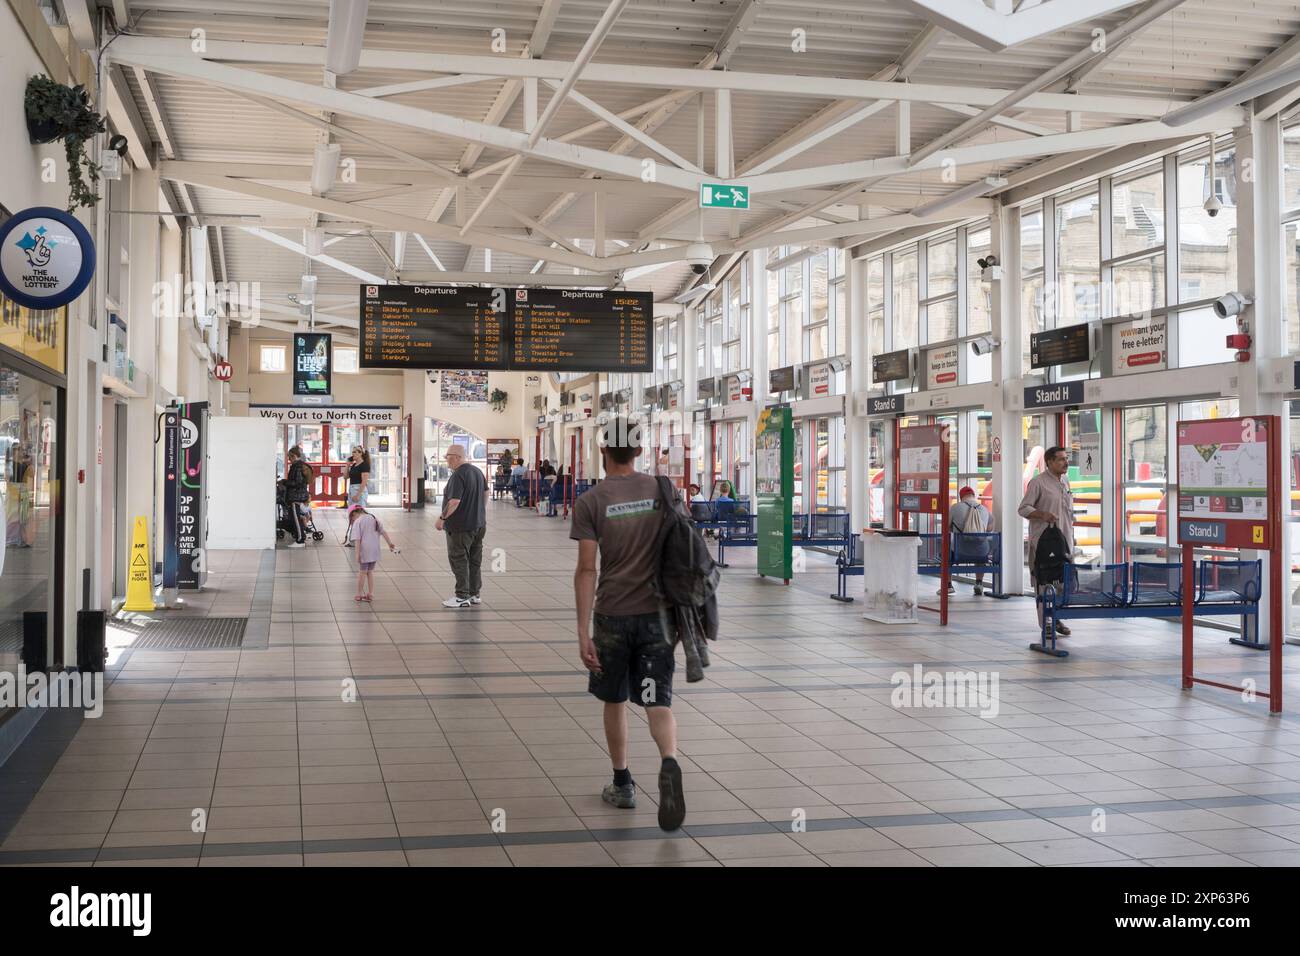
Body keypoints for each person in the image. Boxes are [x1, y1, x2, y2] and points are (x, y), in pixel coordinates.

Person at [570, 416, 685, 833]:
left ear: (603, 451)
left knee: (615, 698)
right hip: (658, 617)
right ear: (639, 451)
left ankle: (623, 783)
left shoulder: (591, 501)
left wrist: (583, 632)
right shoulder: (662, 490)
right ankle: (669, 759)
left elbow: (587, 570)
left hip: (613, 617)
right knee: (658, 700)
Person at [1018, 446, 1075, 636]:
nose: (1065, 462)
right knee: (1044, 581)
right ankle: (1046, 622)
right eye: (1060, 459)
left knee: (1061, 581)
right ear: (1049, 462)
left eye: (1066, 458)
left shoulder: (1065, 481)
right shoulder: (1038, 483)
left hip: (1064, 540)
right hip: (1044, 541)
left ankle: (1057, 618)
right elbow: (1023, 508)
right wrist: (1042, 514)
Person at [437, 444, 487, 608]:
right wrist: (479, 510)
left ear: (458, 457)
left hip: (460, 526)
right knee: (474, 560)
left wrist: (442, 518)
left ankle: (461, 596)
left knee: (459, 559)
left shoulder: (458, 475)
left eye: (448, 456)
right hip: (478, 524)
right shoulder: (477, 471)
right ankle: (474, 594)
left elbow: (454, 501)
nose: (447, 460)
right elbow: (486, 492)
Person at [950, 485, 995, 596]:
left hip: (959, 552)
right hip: (981, 553)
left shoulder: (955, 507)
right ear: (974, 496)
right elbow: (989, 529)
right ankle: (979, 583)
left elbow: (947, 527)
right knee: (980, 547)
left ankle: (948, 585)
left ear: (961, 497)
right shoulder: (984, 509)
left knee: (946, 551)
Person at [349, 506, 399, 602]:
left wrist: (357, 553)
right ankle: (371, 593)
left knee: (362, 572)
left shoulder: (358, 522)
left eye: (352, 518)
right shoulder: (373, 518)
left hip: (365, 550)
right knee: (370, 572)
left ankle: (359, 594)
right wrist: (390, 543)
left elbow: (358, 540)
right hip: (375, 550)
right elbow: (383, 532)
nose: (352, 520)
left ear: (354, 514)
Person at [283, 446, 312, 548]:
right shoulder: (299, 465)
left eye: (290, 458)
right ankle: (300, 538)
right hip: (298, 496)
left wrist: (285, 482)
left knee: (296, 519)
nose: (289, 460)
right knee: (296, 518)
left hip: (296, 497)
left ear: (294, 456)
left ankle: (300, 540)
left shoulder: (297, 466)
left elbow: (298, 483)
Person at [344, 446, 370, 547]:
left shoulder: (365, 465)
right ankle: (353, 540)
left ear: (360, 453)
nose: (353, 454)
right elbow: (345, 476)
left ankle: (361, 540)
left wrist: (358, 494)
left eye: (355, 452)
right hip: (351, 490)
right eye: (352, 452)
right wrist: (347, 465)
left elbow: (364, 481)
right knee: (352, 516)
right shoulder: (354, 465)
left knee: (360, 517)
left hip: (359, 491)